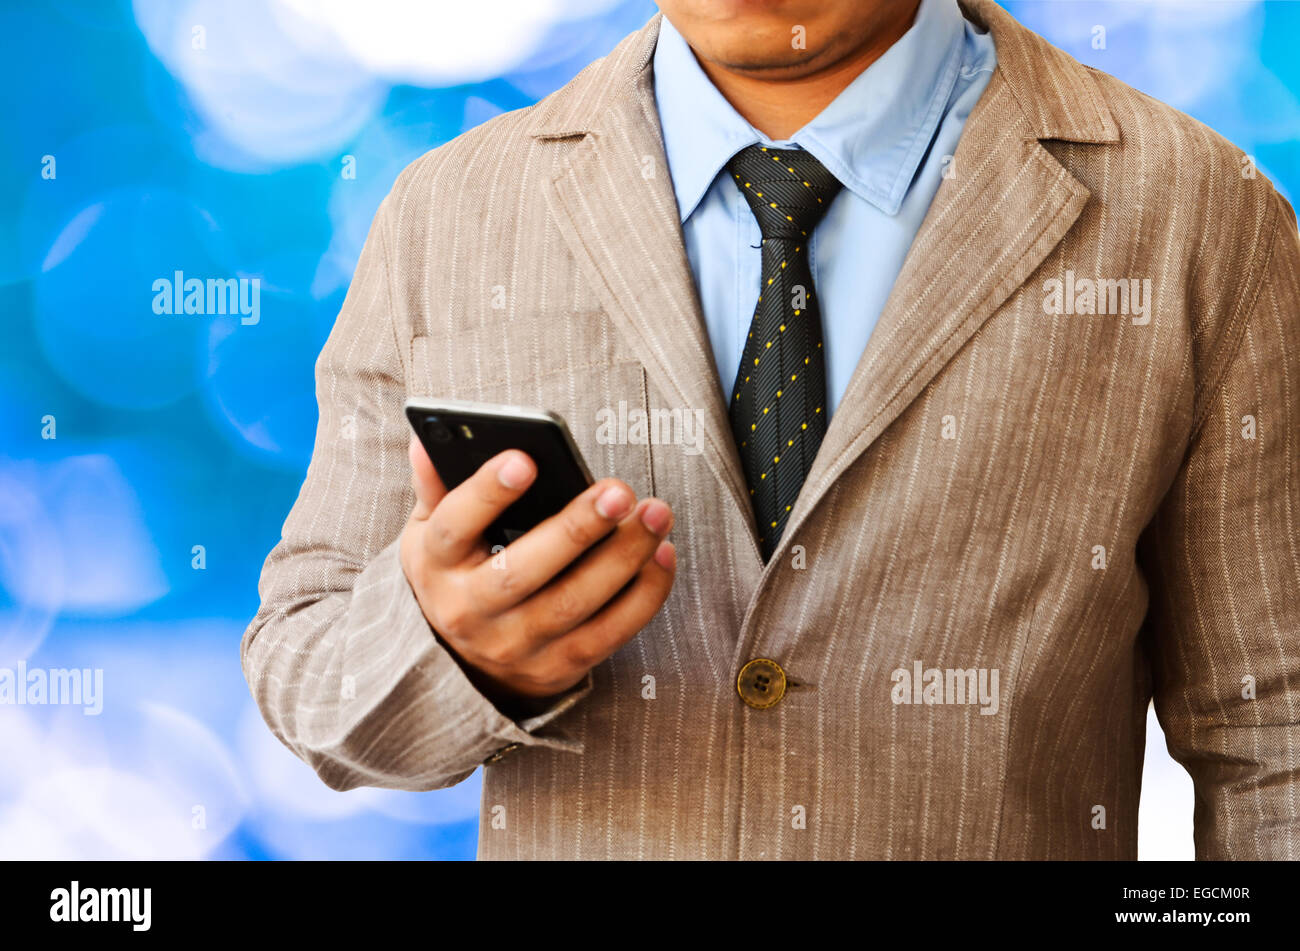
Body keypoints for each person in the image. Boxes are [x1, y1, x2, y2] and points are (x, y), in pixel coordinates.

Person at [243, 0, 1300, 859]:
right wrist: (449, 647)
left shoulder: (1198, 212)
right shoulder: (453, 210)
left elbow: (1272, 730)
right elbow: (307, 672)